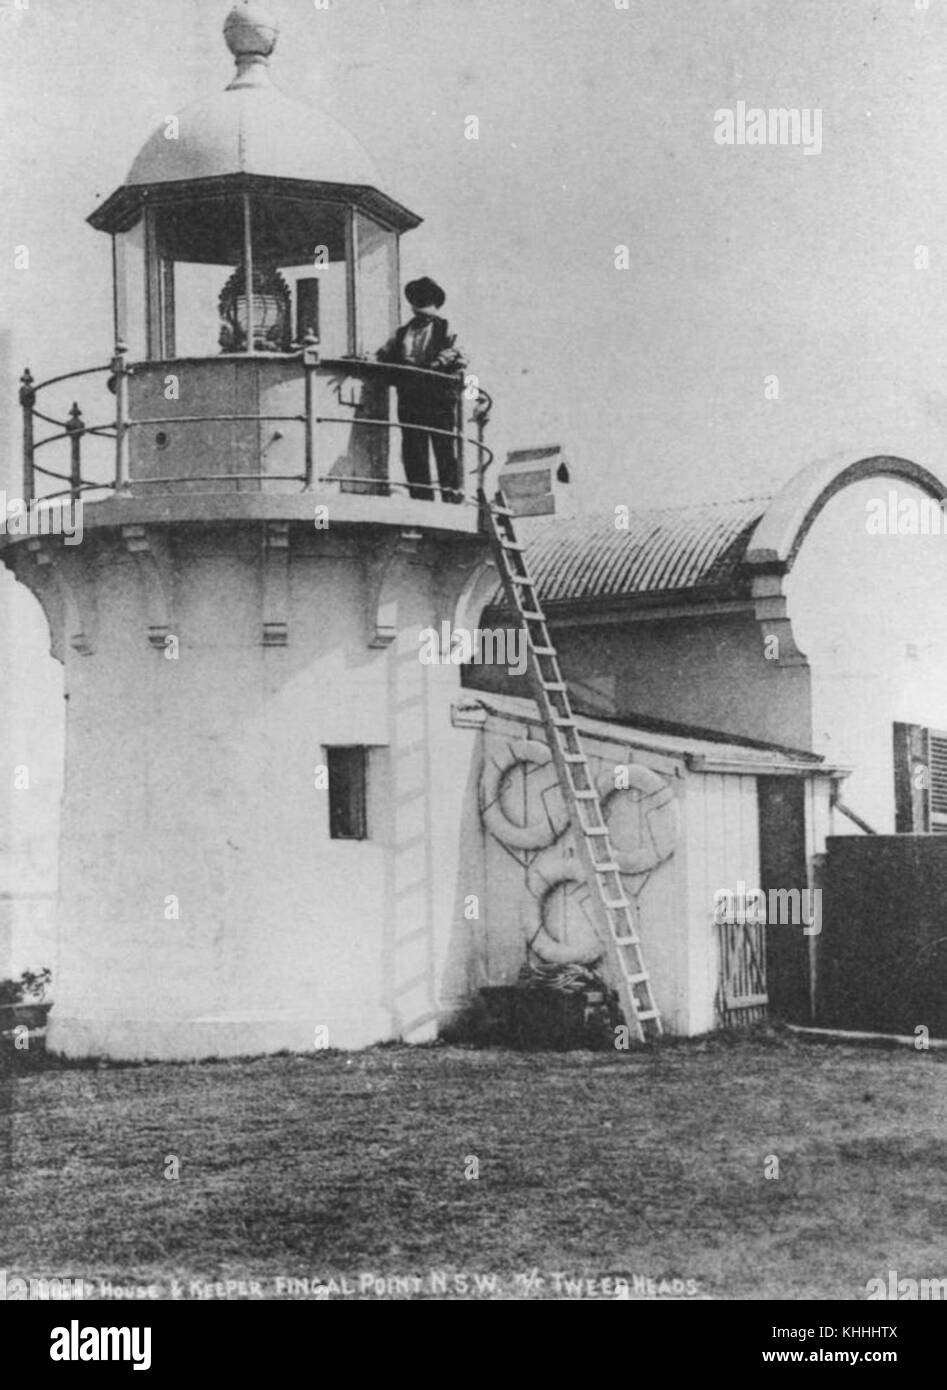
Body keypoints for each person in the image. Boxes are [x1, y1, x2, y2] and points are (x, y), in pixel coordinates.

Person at [377, 277, 467, 502]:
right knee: (413, 449)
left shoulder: (444, 327)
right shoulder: (402, 333)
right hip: (410, 397)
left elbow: (459, 353)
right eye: (418, 298)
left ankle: (451, 496)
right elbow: (384, 353)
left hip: (438, 397)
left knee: (444, 447)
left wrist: (438, 362)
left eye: (426, 298)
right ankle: (421, 497)